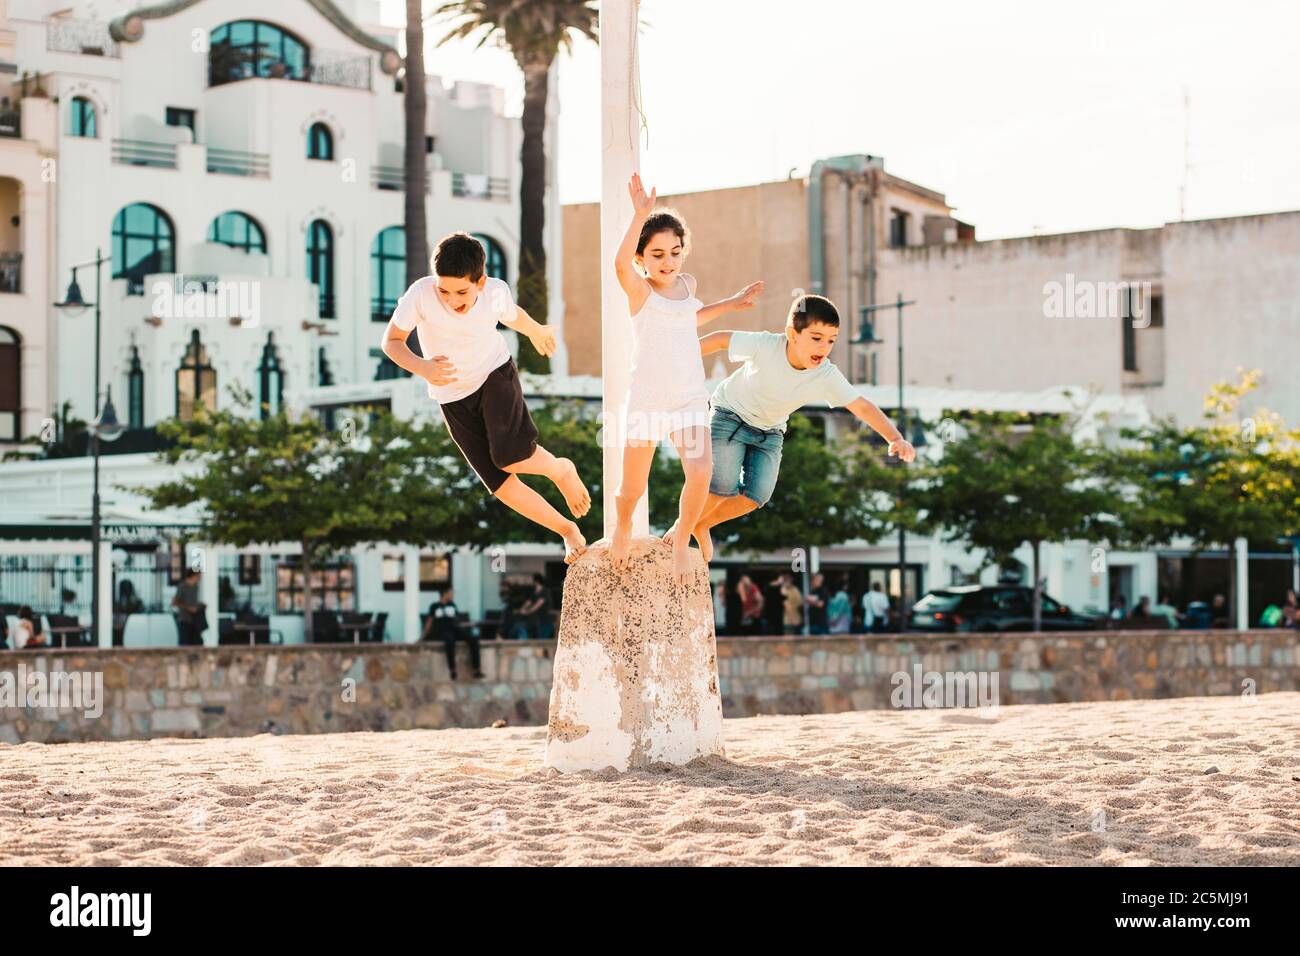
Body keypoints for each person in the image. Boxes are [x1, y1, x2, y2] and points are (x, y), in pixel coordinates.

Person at [380, 232, 590, 563]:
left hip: (494, 373)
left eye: (461, 291)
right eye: (444, 290)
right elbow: (391, 341)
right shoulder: (420, 294)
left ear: (481, 281)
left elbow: (513, 315)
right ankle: (567, 531)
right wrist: (422, 367)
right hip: (451, 396)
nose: (451, 300)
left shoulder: (494, 292)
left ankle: (560, 469)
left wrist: (536, 330)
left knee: (510, 455)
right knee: (500, 484)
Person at [667, 294, 916, 561]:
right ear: (792, 334)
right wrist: (679, 356)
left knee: (757, 494)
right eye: (816, 338)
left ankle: (702, 524)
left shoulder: (825, 375)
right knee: (721, 483)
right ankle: (681, 529)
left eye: (831, 340)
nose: (824, 348)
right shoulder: (766, 345)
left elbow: (862, 406)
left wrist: (895, 437)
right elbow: (719, 340)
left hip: (770, 432)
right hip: (731, 416)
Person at [609, 173, 763, 585]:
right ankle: (623, 526)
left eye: (675, 252)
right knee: (631, 489)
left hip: (689, 399)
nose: (668, 261)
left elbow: (687, 320)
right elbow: (618, 264)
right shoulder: (639, 291)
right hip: (648, 398)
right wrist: (640, 214)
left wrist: (729, 304)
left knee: (700, 474)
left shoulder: (687, 285)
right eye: (657, 254)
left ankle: (680, 541)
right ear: (643, 258)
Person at [424, 589, 482, 680]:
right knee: (449, 641)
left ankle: (477, 669)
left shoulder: (452, 605)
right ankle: (453, 669)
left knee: (473, 639)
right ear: (444, 594)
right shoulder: (434, 606)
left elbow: (457, 621)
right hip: (442, 630)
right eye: (450, 593)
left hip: (454, 629)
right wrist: (423, 636)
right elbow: (429, 622)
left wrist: (468, 625)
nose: (452, 595)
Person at [516, 574, 553, 641]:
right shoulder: (535, 592)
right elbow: (528, 602)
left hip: (545, 620)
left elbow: (538, 604)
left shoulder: (545, 591)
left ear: (536, 581)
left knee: (543, 640)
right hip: (537, 620)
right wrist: (521, 610)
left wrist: (527, 612)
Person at [171, 570, 204, 646]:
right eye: (199, 575)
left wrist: (200, 605)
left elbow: (192, 602)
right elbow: (174, 603)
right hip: (184, 620)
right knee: (184, 644)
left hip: (194, 620)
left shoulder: (195, 586)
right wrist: (189, 608)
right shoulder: (182, 586)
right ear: (194, 575)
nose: (200, 578)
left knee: (197, 643)